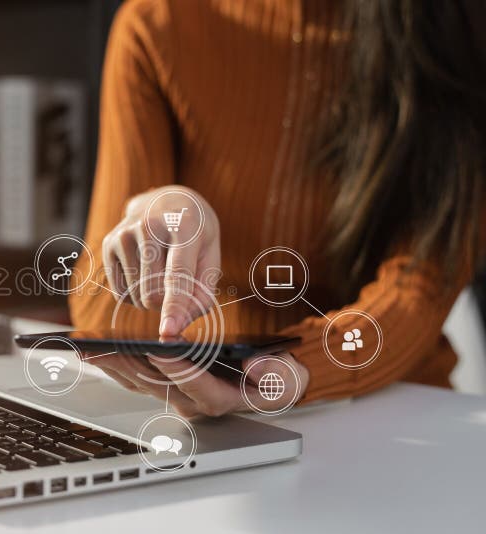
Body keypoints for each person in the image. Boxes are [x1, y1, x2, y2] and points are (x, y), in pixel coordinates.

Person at [68, 0, 486, 417]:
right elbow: (100, 313)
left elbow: (419, 291)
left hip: (397, 414)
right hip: (216, 412)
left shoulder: (453, 34)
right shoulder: (157, 24)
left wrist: (300, 367)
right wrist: (160, 216)